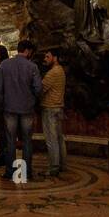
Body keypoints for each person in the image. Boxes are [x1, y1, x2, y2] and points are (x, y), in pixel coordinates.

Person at [0, 39, 42, 180]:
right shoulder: (32, 67)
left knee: (10, 141)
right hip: (27, 108)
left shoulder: (4, 65)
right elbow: (38, 89)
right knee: (27, 140)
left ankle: (10, 171)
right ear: (27, 51)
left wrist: (4, 100)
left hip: (9, 108)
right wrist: (31, 99)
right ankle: (26, 172)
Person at [40, 49, 67, 177]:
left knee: (51, 139)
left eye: (47, 56)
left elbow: (41, 89)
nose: (45, 59)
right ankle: (62, 164)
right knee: (59, 138)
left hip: (50, 108)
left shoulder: (52, 73)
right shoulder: (61, 70)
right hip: (59, 107)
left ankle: (53, 167)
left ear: (55, 58)